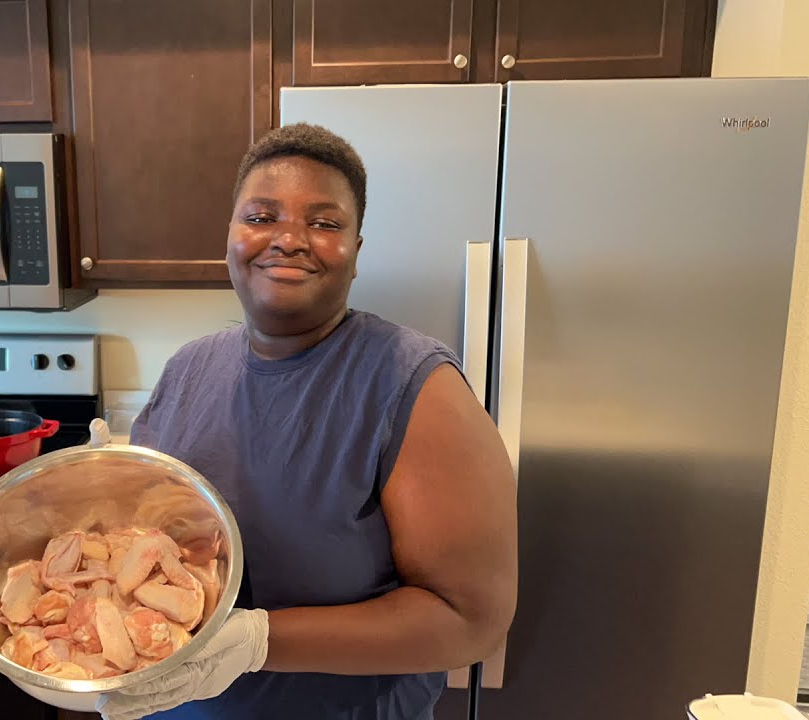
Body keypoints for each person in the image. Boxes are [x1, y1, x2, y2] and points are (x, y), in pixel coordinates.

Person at [98, 123, 518, 720]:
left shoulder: (413, 385)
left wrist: (258, 642)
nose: (289, 239)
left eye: (324, 223)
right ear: (232, 235)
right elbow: (147, 542)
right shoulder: (188, 369)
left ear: (356, 250)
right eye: (261, 216)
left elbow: (469, 622)